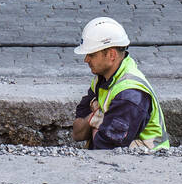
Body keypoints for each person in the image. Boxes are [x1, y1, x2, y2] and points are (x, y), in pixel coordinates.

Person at [71, 17, 169, 151]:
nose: (86, 59)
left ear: (111, 55)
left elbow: (106, 148)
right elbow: (77, 132)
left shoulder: (130, 96)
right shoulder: (103, 79)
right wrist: (97, 119)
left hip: (147, 163)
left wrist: (94, 118)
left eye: (92, 54)